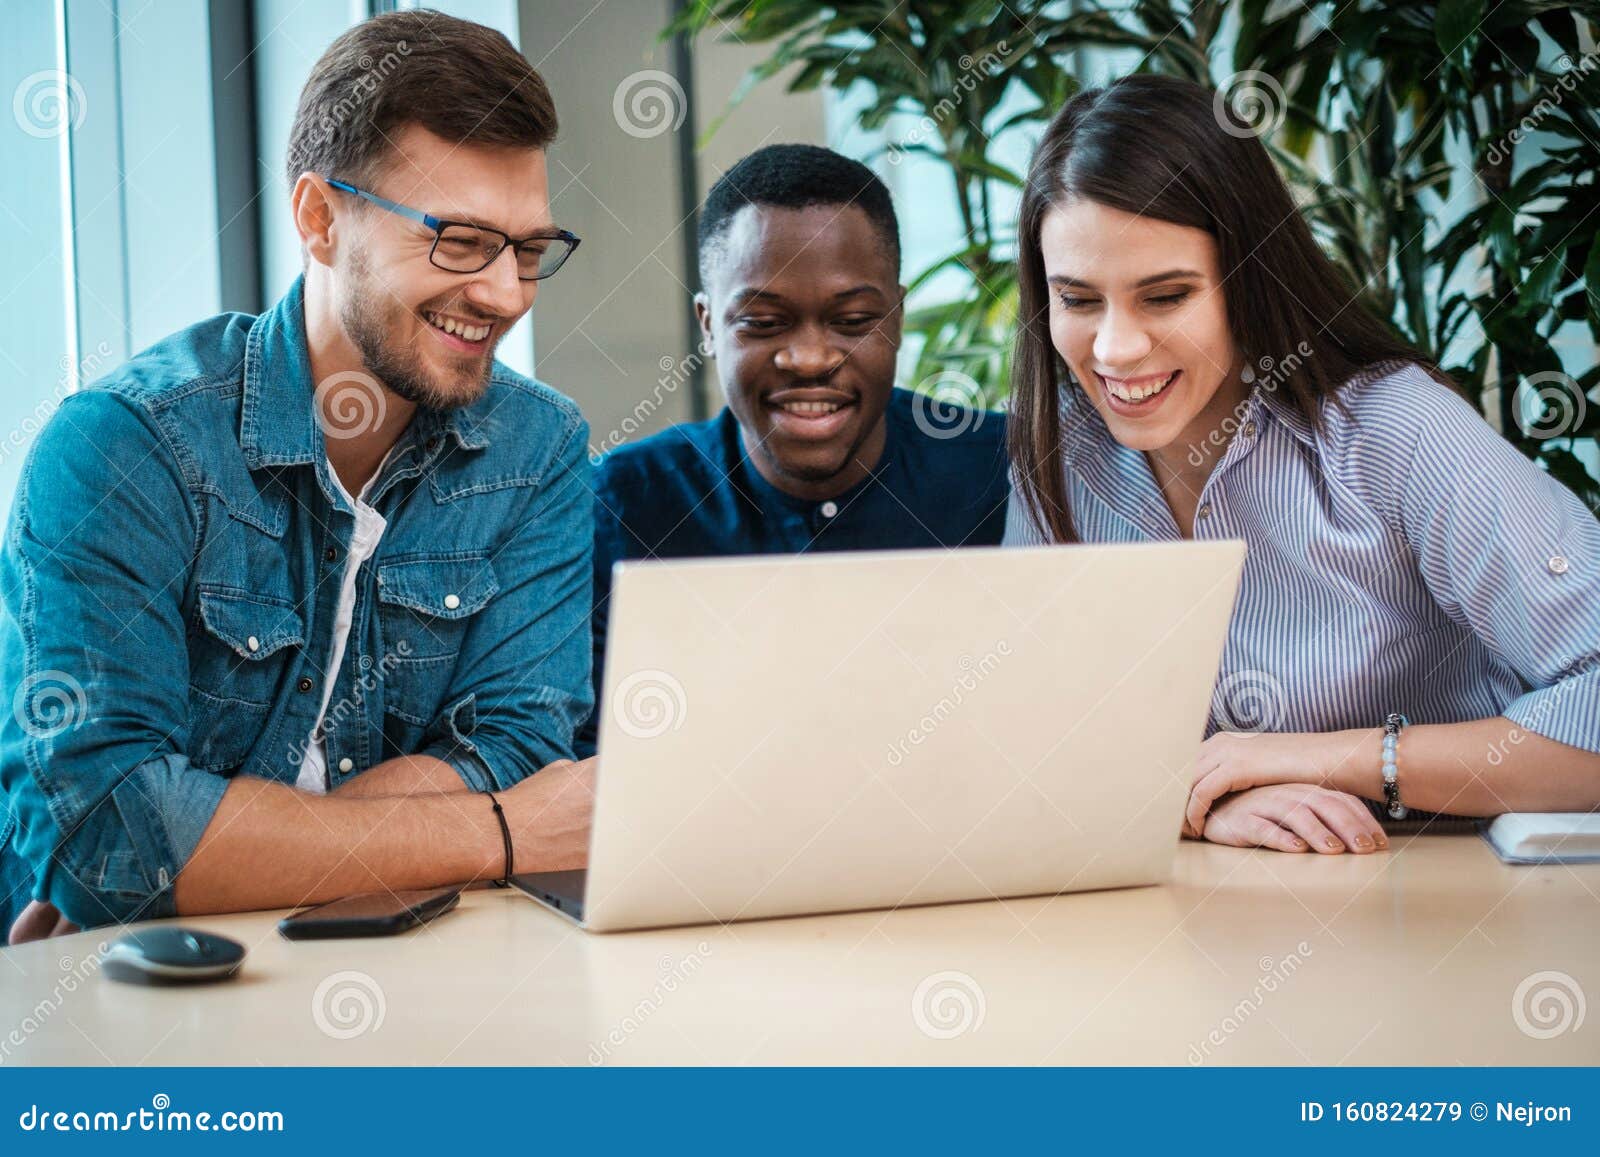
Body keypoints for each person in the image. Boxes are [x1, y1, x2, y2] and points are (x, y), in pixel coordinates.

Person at [1, 11, 595, 942]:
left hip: (416, 985)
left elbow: (516, 748)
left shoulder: (540, 448)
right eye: (461, 240)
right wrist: (500, 833)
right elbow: (109, 842)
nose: (507, 294)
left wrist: (223, 856)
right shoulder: (122, 449)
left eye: (528, 249)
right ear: (320, 218)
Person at [1004, 75, 1600, 853]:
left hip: (1458, 895)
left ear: (1247, 276)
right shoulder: (1063, 454)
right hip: (1224, 914)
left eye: (1165, 296)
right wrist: (1199, 801)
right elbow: (1034, 738)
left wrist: (1323, 760)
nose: (1115, 349)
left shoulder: (1395, 430)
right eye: (1079, 301)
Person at [578, 145, 1009, 757]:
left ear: (897, 318)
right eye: (763, 322)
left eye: (854, 319)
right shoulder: (624, 506)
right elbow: (588, 769)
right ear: (709, 326)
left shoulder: (1004, 475)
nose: (810, 359)